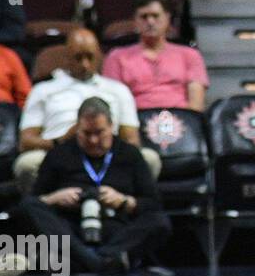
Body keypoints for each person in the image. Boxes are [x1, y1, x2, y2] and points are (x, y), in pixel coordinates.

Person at [11, 96, 169, 276]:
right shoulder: (58, 154)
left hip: (116, 228)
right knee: (28, 208)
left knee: (159, 221)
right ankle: (101, 263)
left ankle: (88, 261)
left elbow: (153, 203)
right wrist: (53, 199)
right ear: (76, 129)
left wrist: (124, 201)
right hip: (71, 229)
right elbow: (33, 201)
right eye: (86, 133)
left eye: (99, 132)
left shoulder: (129, 154)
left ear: (111, 127)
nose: (93, 140)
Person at [15, 28, 160, 195]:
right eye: (78, 57)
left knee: (150, 158)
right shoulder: (43, 90)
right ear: (66, 57)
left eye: (90, 57)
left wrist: (105, 142)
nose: (84, 64)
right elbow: (25, 142)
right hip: (58, 157)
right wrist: (60, 141)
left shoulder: (118, 90)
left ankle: (133, 209)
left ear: (99, 56)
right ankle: (39, 212)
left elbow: (132, 141)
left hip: (107, 155)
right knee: (26, 164)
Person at [103, 0, 208, 110]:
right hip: (136, 123)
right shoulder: (116, 57)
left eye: (155, 16)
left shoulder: (190, 55)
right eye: (144, 17)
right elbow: (113, 104)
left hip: (182, 122)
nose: (150, 21)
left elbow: (196, 106)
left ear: (167, 18)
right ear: (135, 20)